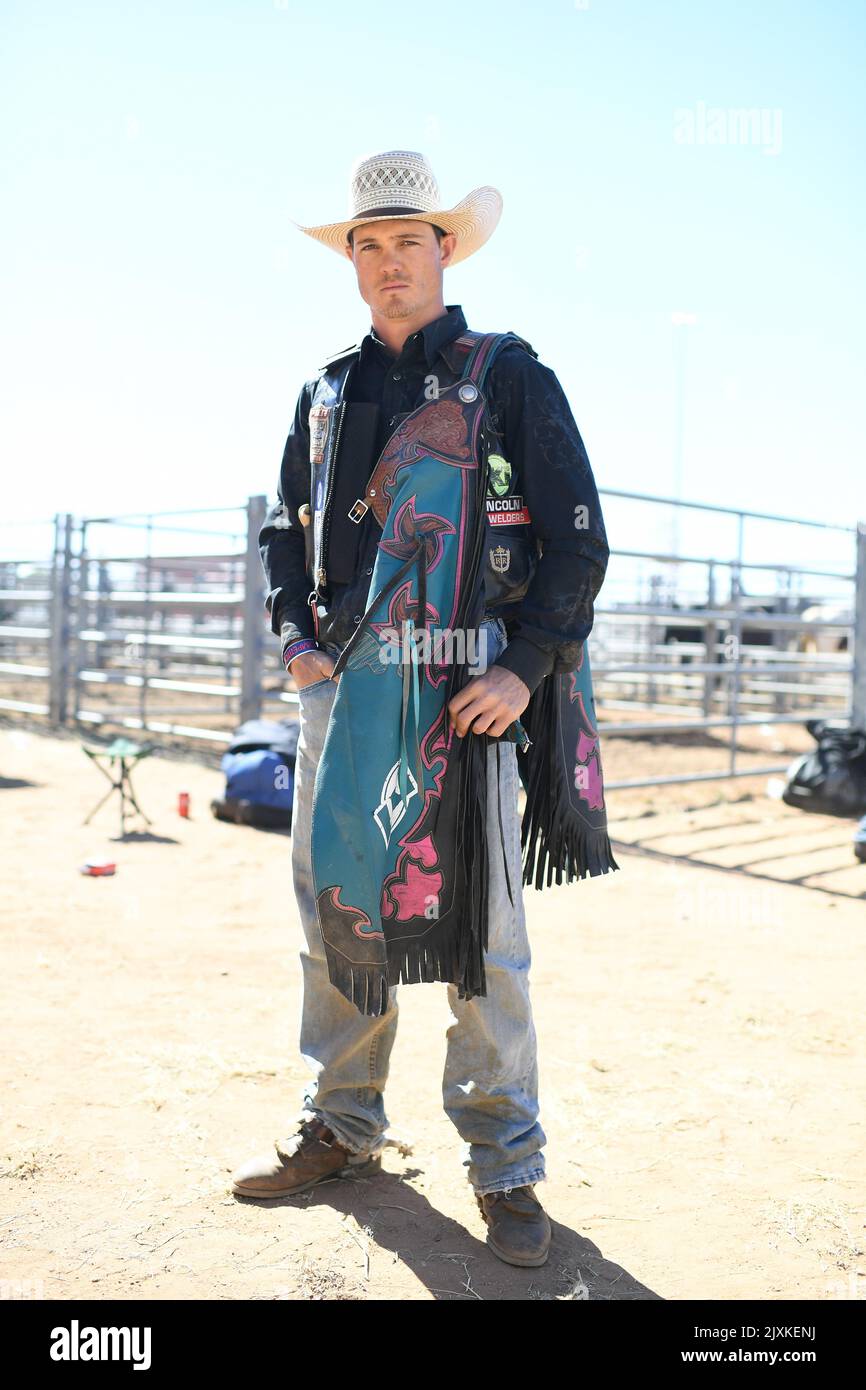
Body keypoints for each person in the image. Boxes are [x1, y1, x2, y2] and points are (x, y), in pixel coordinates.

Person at [230, 150, 613, 1269]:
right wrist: (297, 638)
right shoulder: (323, 393)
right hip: (343, 693)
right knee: (336, 916)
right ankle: (343, 1128)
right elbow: (281, 533)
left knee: (482, 937)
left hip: (466, 693)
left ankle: (506, 1164)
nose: (390, 261)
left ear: (445, 250)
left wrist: (524, 665)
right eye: (370, 244)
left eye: (410, 240)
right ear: (350, 261)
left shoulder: (508, 378)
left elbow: (576, 538)